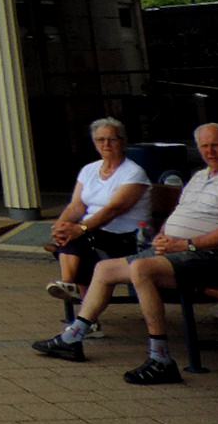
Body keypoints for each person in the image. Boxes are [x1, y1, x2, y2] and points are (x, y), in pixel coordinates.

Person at [33, 122, 218, 384]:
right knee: (105, 269)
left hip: (209, 257)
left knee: (141, 269)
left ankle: (160, 358)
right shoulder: (198, 177)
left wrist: (187, 244)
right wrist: (163, 235)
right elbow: (179, 215)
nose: (210, 151)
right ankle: (73, 338)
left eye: (215, 145)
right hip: (175, 251)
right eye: (204, 146)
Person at [44, 117, 149, 302]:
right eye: (100, 140)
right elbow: (76, 205)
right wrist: (61, 226)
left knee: (80, 241)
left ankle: (70, 286)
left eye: (112, 139)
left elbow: (114, 209)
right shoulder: (89, 169)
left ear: (122, 142)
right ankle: (74, 292)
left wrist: (80, 228)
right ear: (94, 143)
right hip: (94, 232)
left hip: (126, 236)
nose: (106, 144)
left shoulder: (133, 172)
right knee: (73, 238)